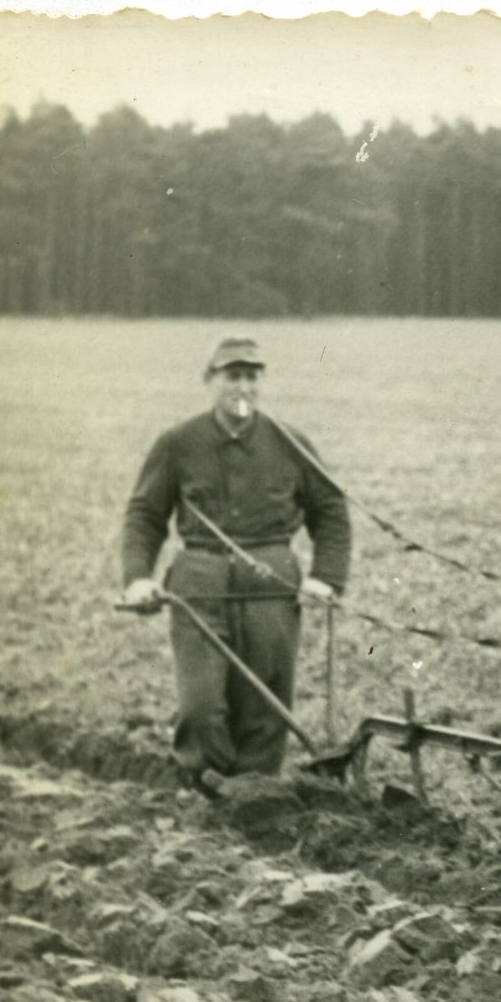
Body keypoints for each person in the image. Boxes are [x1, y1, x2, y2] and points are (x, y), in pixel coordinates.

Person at [120, 337, 352, 789]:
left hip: (271, 584)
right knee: (201, 706)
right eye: (232, 376)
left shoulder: (290, 443)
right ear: (210, 381)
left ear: (261, 382)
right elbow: (144, 515)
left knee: (265, 708)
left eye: (251, 377)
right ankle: (203, 791)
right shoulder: (177, 444)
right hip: (199, 584)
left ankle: (255, 797)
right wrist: (137, 578)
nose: (242, 387)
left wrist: (326, 578)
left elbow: (330, 511)